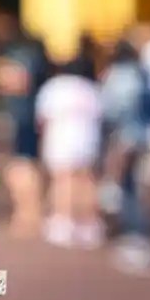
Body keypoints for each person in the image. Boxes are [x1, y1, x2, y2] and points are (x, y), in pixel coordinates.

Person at [99, 35, 150, 274]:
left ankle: (135, 238)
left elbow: (112, 110)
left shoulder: (117, 76)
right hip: (143, 137)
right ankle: (140, 237)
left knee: (127, 188)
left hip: (124, 138)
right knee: (135, 187)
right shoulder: (140, 73)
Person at [0, 12, 49, 237]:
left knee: (20, 167)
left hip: (19, 115)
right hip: (25, 115)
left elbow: (16, 82)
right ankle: (29, 212)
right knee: (24, 165)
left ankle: (28, 213)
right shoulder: (33, 54)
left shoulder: (18, 55)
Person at [36, 50, 105, 249]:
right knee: (87, 180)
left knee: (62, 181)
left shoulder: (54, 88)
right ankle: (89, 224)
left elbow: (43, 119)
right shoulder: (90, 89)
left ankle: (63, 222)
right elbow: (100, 116)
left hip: (60, 140)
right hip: (87, 139)